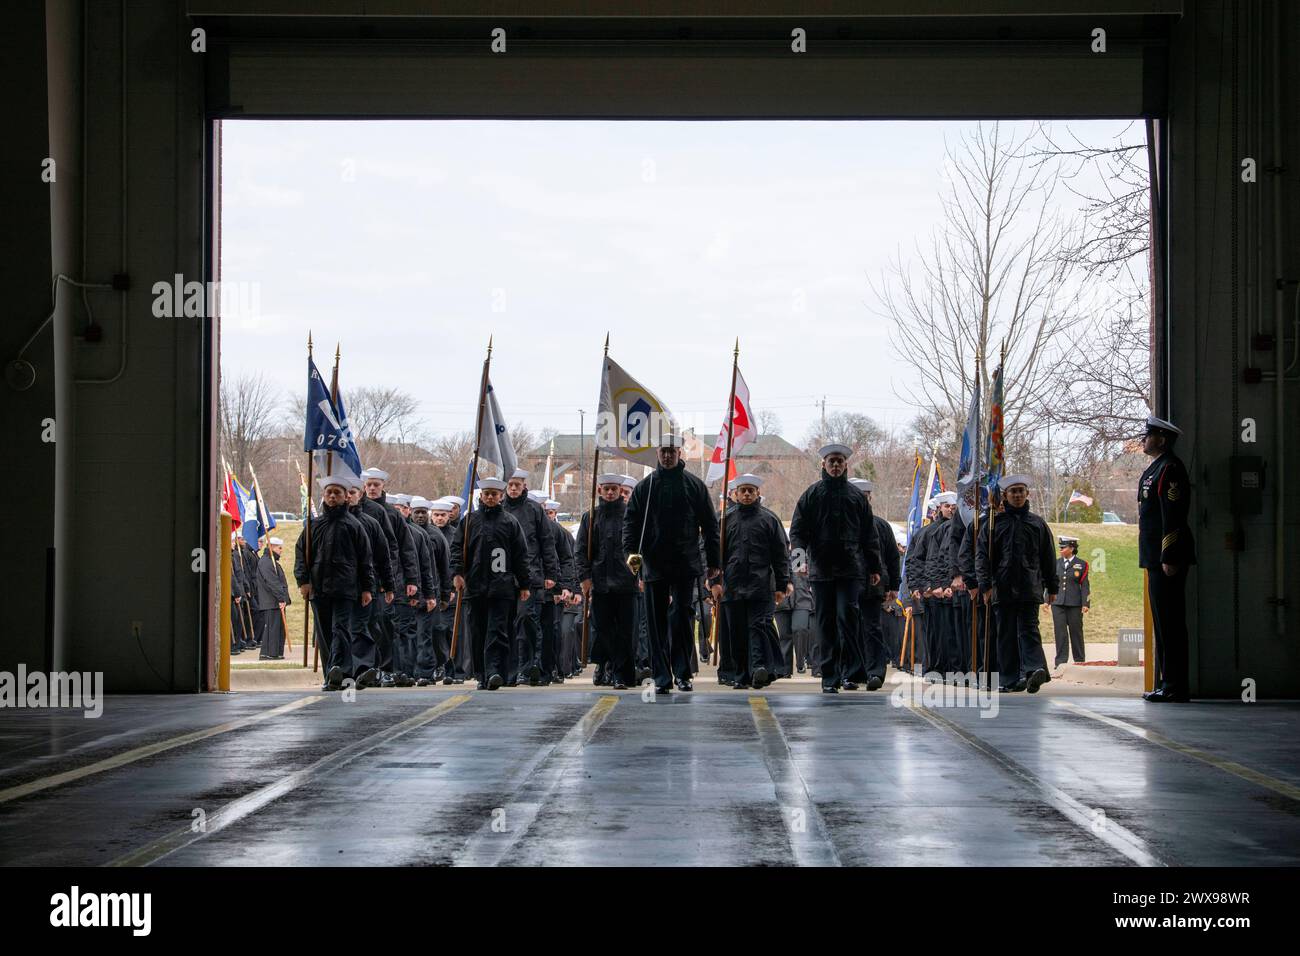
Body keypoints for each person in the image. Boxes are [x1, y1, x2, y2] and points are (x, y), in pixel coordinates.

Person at [622, 435, 721, 695]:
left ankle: (683, 673)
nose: (667, 456)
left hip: (685, 563)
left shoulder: (694, 485)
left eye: (672, 451)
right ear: (657, 452)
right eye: (663, 451)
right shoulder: (645, 487)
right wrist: (631, 556)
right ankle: (661, 676)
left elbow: (710, 526)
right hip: (653, 563)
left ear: (680, 452)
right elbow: (630, 524)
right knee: (655, 624)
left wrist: (713, 562)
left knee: (682, 618)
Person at [788, 443, 882, 694]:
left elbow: (869, 535)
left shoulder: (856, 497)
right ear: (824, 464)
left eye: (840, 461)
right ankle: (829, 677)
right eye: (832, 461)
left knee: (848, 618)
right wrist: (798, 562)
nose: (836, 465)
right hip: (821, 570)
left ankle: (851, 674)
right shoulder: (811, 495)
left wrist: (874, 567)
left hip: (850, 569)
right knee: (825, 622)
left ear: (846, 465)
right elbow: (797, 532)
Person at [293, 474, 375, 691]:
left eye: (337, 493)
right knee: (324, 633)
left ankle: (341, 669)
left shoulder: (354, 526)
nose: (332, 496)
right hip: (319, 588)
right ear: (324, 495)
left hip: (346, 589)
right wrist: (303, 581)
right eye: (329, 492)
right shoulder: (313, 526)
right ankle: (331, 674)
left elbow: (365, 560)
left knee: (341, 629)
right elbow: (301, 554)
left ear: (346, 497)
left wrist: (367, 588)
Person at [976, 475, 1056, 694]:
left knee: (1030, 629)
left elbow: (1048, 557)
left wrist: (1052, 586)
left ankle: (1035, 669)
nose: (1018, 495)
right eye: (1013, 491)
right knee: (1006, 634)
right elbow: (982, 557)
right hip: (1001, 587)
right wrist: (985, 585)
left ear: (1027, 494)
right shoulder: (994, 525)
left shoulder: (1037, 523)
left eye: (1021, 491)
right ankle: (1009, 678)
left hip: (1030, 586)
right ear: (1005, 496)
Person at [450, 477, 531, 690]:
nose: (490, 498)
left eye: (494, 494)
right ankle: (481, 674)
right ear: (481, 496)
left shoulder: (510, 522)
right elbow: (457, 548)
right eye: (487, 494)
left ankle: (495, 671)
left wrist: (524, 584)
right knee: (477, 631)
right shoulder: (469, 521)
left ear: (501, 496)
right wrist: (457, 573)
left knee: (497, 631)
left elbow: (521, 555)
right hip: (475, 586)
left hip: (502, 587)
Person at [1138, 415, 1196, 703]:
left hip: (1166, 557)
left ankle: (1175, 685)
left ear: (1161, 439)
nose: (1144, 440)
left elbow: (1173, 515)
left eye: (1148, 435)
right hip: (1154, 556)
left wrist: (1168, 554)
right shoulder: (1157, 467)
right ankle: (1167, 682)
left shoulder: (1170, 468)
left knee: (1170, 622)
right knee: (1162, 623)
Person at [719, 475, 791, 689]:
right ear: (736, 494)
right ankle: (740, 675)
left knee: (758, 626)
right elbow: (714, 553)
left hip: (761, 585)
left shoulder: (769, 519)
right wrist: (713, 581)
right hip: (732, 586)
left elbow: (780, 555)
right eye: (743, 491)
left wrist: (781, 585)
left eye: (751, 491)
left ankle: (758, 667)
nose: (747, 494)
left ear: (758, 493)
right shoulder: (725, 520)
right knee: (736, 632)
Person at [577, 475, 639, 688]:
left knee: (625, 631)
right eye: (606, 489)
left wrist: (636, 574)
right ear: (599, 491)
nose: (610, 493)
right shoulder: (590, 517)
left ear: (620, 490)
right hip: (600, 582)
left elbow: (637, 549)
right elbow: (581, 550)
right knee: (603, 628)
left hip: (625, 583)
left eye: (614, 489)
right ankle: (606, 663)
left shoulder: (631, 515)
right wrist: (584, 577)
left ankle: (620, 674)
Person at [849, 478, 901, 691]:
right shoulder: (842, 525)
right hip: (848, 583)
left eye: (866, 497)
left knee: (872, 628)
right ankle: (851, 673)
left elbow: (892, 557)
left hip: (873, 585)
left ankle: (875, 673)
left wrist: (894, 586)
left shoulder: (881, 525)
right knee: (849, 629)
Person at [344, 482, 393, 688]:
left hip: (367, 584)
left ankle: (366, 669)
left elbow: (384, 554)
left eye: (352, 492)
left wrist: (388, 584)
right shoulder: (325, 523)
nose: (348, 497)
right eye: (344, 493)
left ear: (360, 494)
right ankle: (345, 670)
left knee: (364, 627)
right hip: (339, 587)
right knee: (342, 630)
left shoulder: (371, 522)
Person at [541, 499, 575, 684]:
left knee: (554, 631)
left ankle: (555, 668)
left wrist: (565, 587)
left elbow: (567, 560)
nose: (547, 516)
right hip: (533, 587)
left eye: (550, 513)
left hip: (553, 590)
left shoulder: (560, 532)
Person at [1052, 535, 1090, 667]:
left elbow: (1084, 585)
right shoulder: (1056, 563)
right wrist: (1046, 600)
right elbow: (1050, 583)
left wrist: (1085, 603)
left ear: (1072, 548)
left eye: (1064, 547)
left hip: (1074, 604)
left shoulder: (1082, 564)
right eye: (1060, 547)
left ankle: (1079, 660)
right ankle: (1060, 662)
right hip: (1057, 603)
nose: (1061, 549)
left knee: (1076, 632)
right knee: (1060, 633)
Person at [253, 537, 291, 659]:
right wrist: (281, 598)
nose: (281, 550)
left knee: (278, 628)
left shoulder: (272, 562)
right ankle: (268, 653)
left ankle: (276, 652)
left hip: (275, 600)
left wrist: (284, 598)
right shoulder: (266, 562)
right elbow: (272, 582)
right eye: (279, 548)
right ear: (272, 547)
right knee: (272, 628)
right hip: (271, 600)